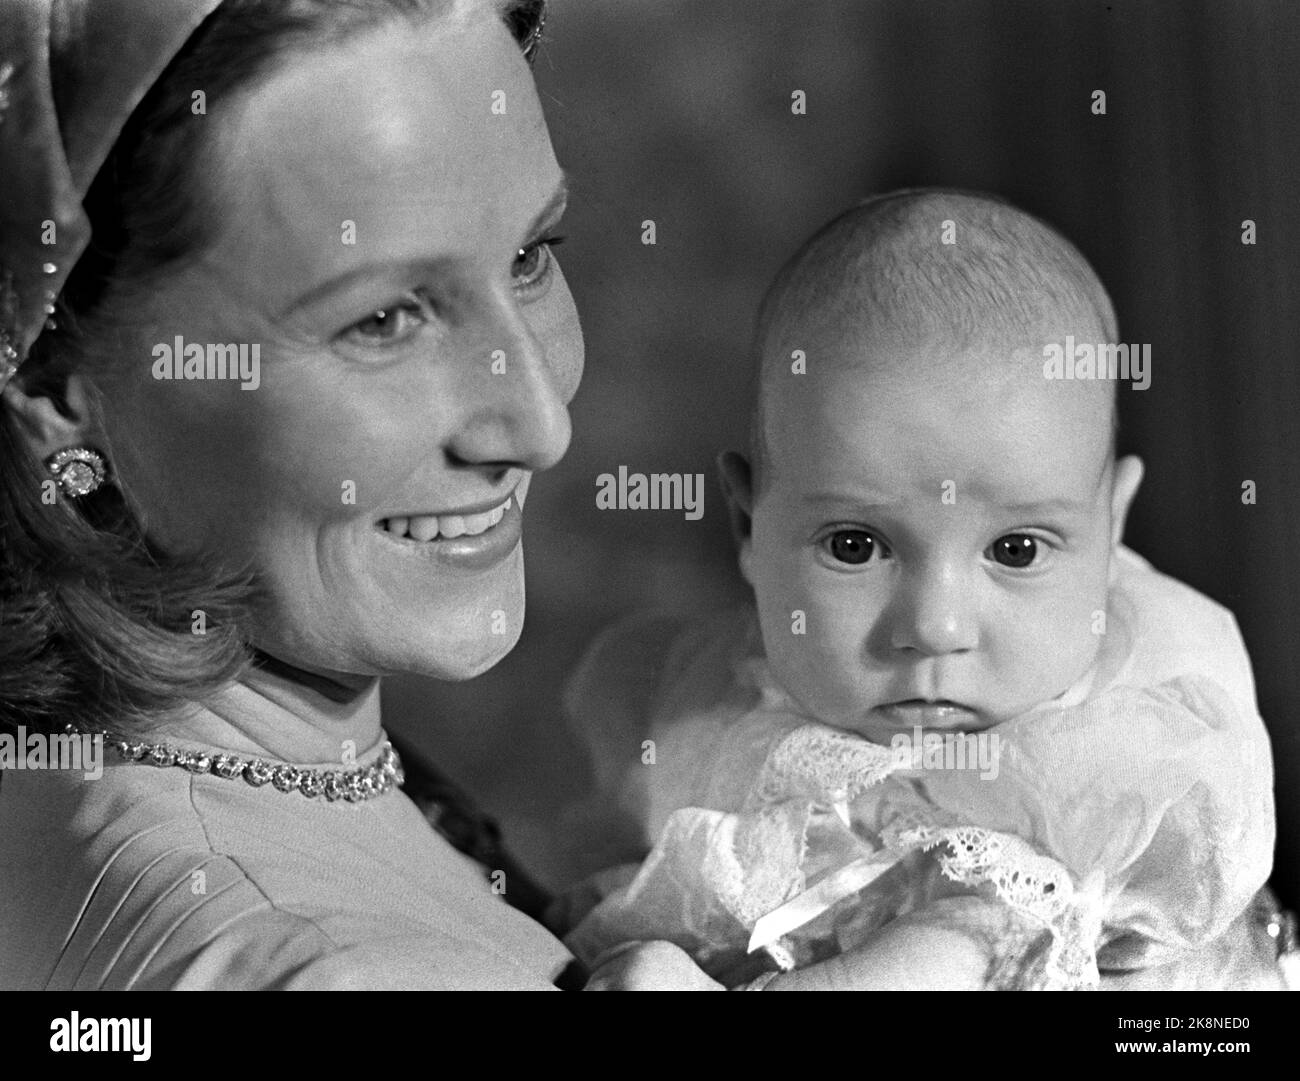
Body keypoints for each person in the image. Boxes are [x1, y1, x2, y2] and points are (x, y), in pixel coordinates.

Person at [560, 189, 1292, 989]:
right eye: (854, 544)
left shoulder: (1115, 759)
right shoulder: (714, 717)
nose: (936, 626)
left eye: (1015, 549)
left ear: (1112, 533)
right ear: (747, 529)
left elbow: (956, 956)